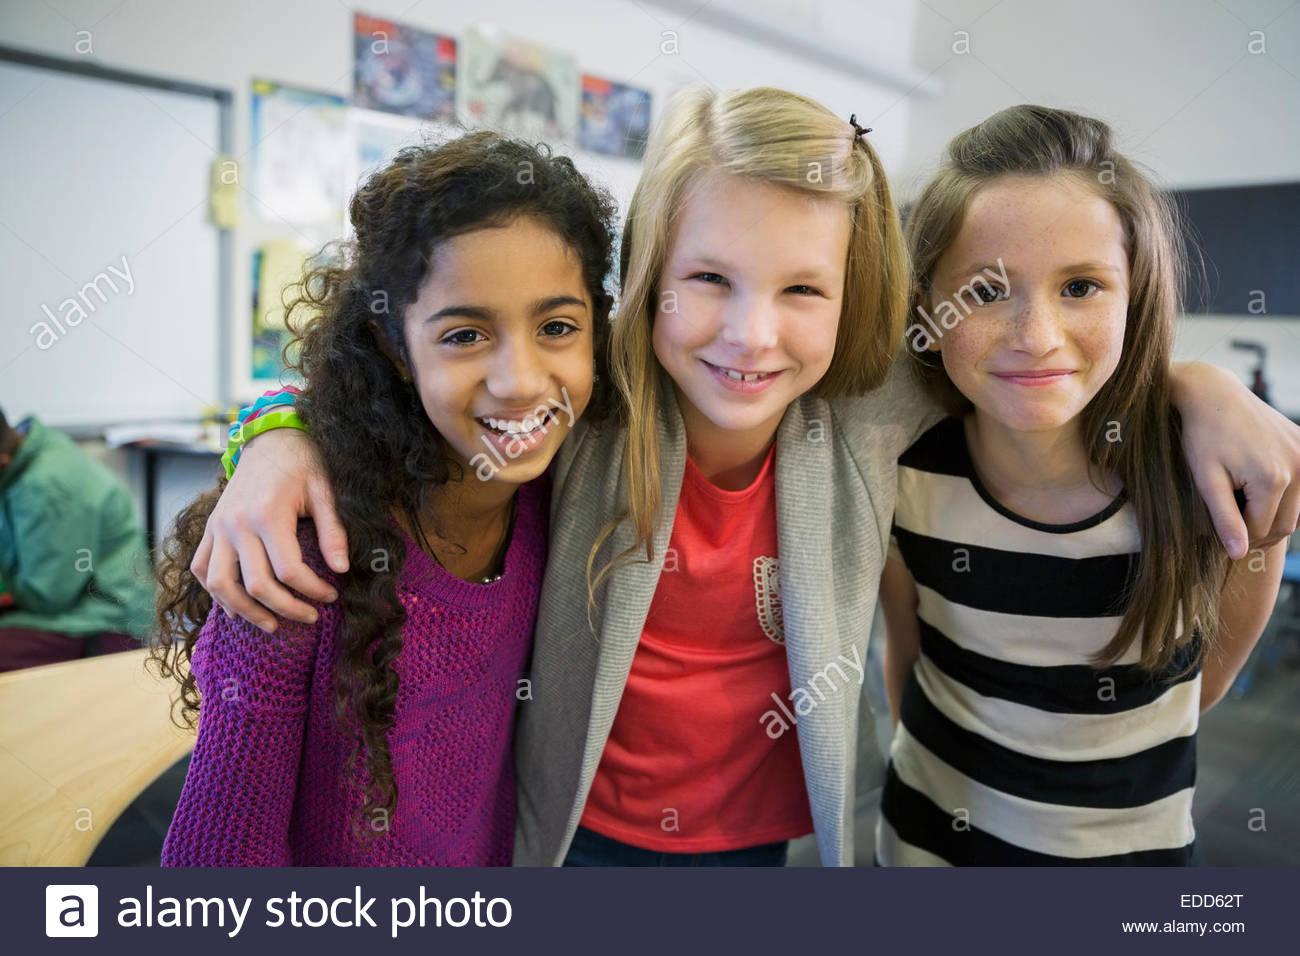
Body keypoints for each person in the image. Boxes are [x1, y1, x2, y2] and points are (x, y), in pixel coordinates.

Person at [190, 88, 1300, 867]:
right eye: (708, 278)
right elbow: (383, 387)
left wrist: (1193, 381)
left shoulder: (866, 407)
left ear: (857, 295)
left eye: (801, 290)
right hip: (568, 840)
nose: (750, 336)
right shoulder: (590, 402)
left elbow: (1024, 353)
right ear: (646, 289)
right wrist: (269, 434)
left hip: (776, 845)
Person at [153, 131, 616, 865]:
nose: (521, 379)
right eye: (465, 335)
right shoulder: (300, 555)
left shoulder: (562, 494)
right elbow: (217, 864)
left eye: (557, 327)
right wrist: (274, 434)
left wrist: (273, 428)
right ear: (397, 350)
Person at [875, 105, 1285, 866]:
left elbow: (1203, 685)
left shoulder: (1209, 484)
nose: (1036, 336)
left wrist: (1203, 382)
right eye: (987, 290)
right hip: (924, 844)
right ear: (928, 300)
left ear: (1137, 296)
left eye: (1082, 287)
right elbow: (909, 660)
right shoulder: (905, 472)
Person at [0, 405, 152, 672]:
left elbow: (47, 597)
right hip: (67, 601)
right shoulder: (31, 446)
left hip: (105, 619)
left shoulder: (45, 486)